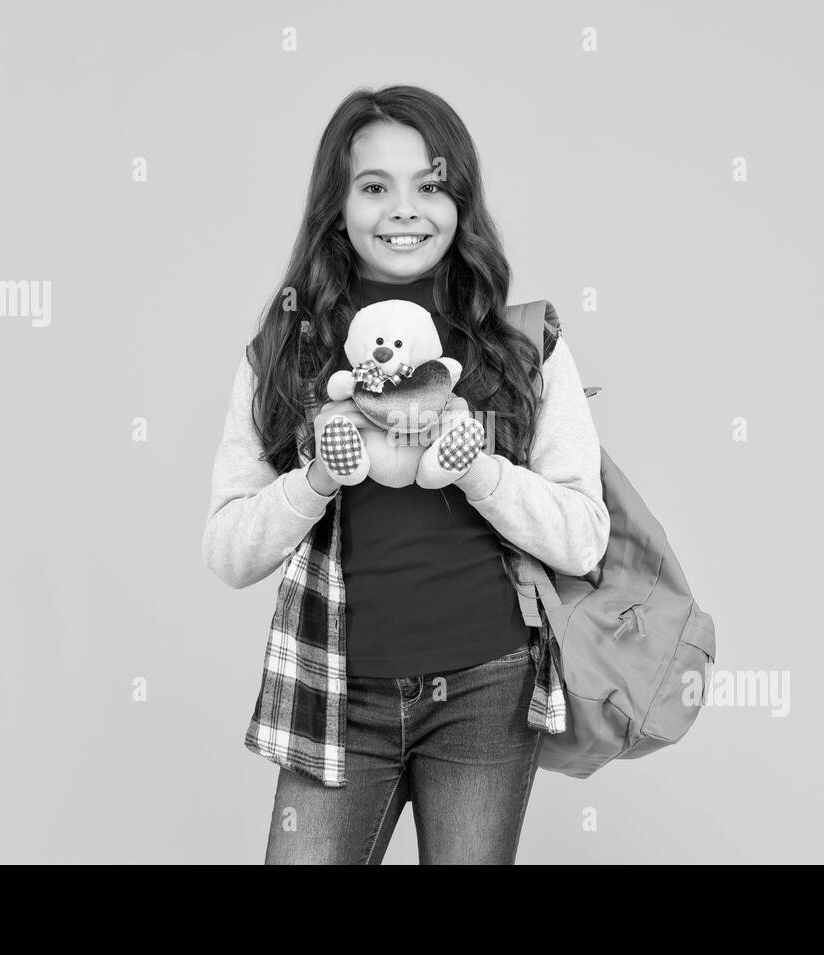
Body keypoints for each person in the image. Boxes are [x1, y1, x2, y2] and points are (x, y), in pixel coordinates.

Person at [202, 85, 608, 864]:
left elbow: (584, 539)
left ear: (460, 200)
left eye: (431, 184)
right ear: (338, 204)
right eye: (375, 186)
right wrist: (316, 478)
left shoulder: (523, 344)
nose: (405, 210)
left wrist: (476, 468)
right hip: (335, 692)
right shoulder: (286, 351)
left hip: (489, 690)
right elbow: (227, 551)